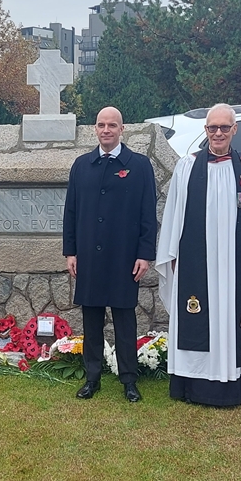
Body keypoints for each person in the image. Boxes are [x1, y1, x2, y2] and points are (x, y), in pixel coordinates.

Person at [155, 104, 241, 407]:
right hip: (196, 262)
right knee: (197, 315)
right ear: (205, 131)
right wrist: (171, 253)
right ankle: (193, 385)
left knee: (235, 315)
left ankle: (236, 382)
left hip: (236, 261)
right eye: (212, 128)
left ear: (234, 129)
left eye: (224, 127)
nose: (218, 133)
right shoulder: (187, 166)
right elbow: (174, 216)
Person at [63, 106, 156, 403]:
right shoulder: (81, 165)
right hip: (89, 255)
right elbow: (71, 212)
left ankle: (129, 380)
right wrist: (71, 251)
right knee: (91, 320)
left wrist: (145, 254)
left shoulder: (139, 166)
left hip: (124, 257)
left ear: (122, 129)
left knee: (125, 320)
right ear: (94, 129)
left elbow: (147, 214)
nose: (106, 130)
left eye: (112, 125)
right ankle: (92, 378)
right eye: (101, 125)